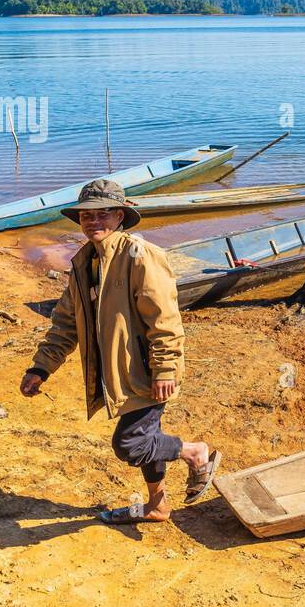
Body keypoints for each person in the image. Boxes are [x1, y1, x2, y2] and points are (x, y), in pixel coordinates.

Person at [18, 179, 218, 523]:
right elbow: (66, 321)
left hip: (145, 371)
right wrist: (41, 368)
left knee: (130, 443)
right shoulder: (83, 263)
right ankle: (157, 505)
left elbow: (165, 318)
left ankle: (195, 452)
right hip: (117, 373)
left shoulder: (141, 256)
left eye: (103, 214)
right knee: (146, 437)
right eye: (86, 215)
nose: (93, 221)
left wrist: (165, 368)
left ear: (121, 216)